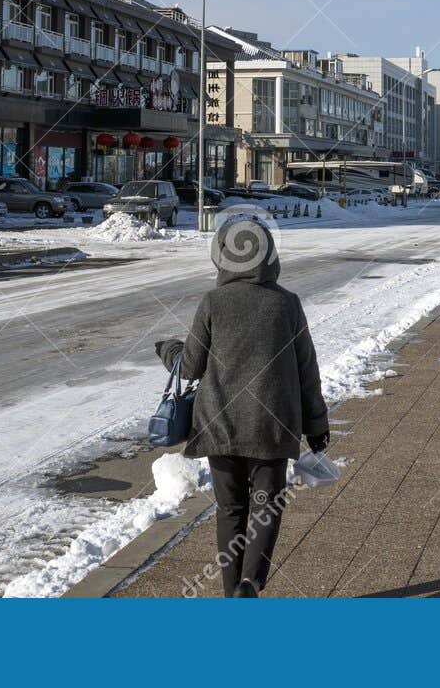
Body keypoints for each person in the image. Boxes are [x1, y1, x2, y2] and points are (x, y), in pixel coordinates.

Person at [155, 217, 329, 597]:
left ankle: (231, 593)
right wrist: (316, 423)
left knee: (230, 510)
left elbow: (191, 364)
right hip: (272, 426)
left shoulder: (214, 302)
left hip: (220, 423)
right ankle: (251, 581)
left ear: (221, 257)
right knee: (266, 506)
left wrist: (167, 349)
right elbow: (306, 368)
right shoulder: (286, 304)